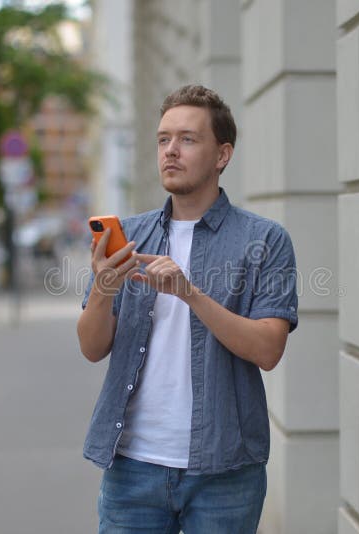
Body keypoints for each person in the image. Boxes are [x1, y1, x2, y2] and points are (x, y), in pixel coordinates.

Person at [77, 84, 298, 533]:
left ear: (222, 155)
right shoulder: (129, 236)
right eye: (164, 139)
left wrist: (188, 292)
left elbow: (268, 349)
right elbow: (92, 347)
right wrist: (103, 286)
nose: (171, 151)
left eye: (188, 139)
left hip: (225, 471)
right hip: (132, 466)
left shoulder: (264, 240)